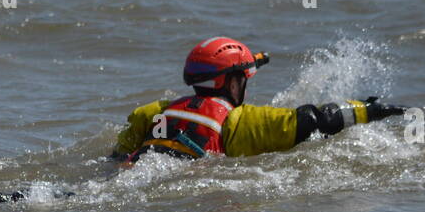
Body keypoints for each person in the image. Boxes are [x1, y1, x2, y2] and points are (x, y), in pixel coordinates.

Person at [112, 36, 404, 163]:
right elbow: (317, 119)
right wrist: (370, 110)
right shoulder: (241, 122)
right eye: (244, 79)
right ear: (231, 82)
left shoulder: (153, 111)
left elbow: (118, 156)